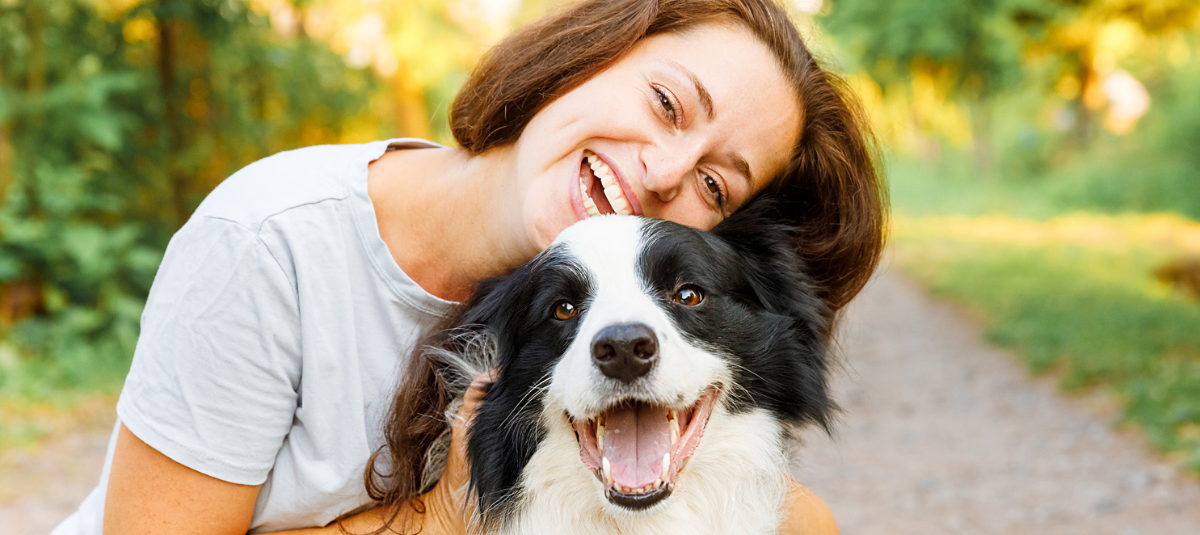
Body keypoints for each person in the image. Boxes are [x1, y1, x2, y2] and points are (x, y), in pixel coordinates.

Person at [52, 0, 885, 533]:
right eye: (666, 103)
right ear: (589, 48)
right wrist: (444, 515)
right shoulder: (269, 239)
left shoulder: (612, 328)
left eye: (713, 181)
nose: (667, 171)